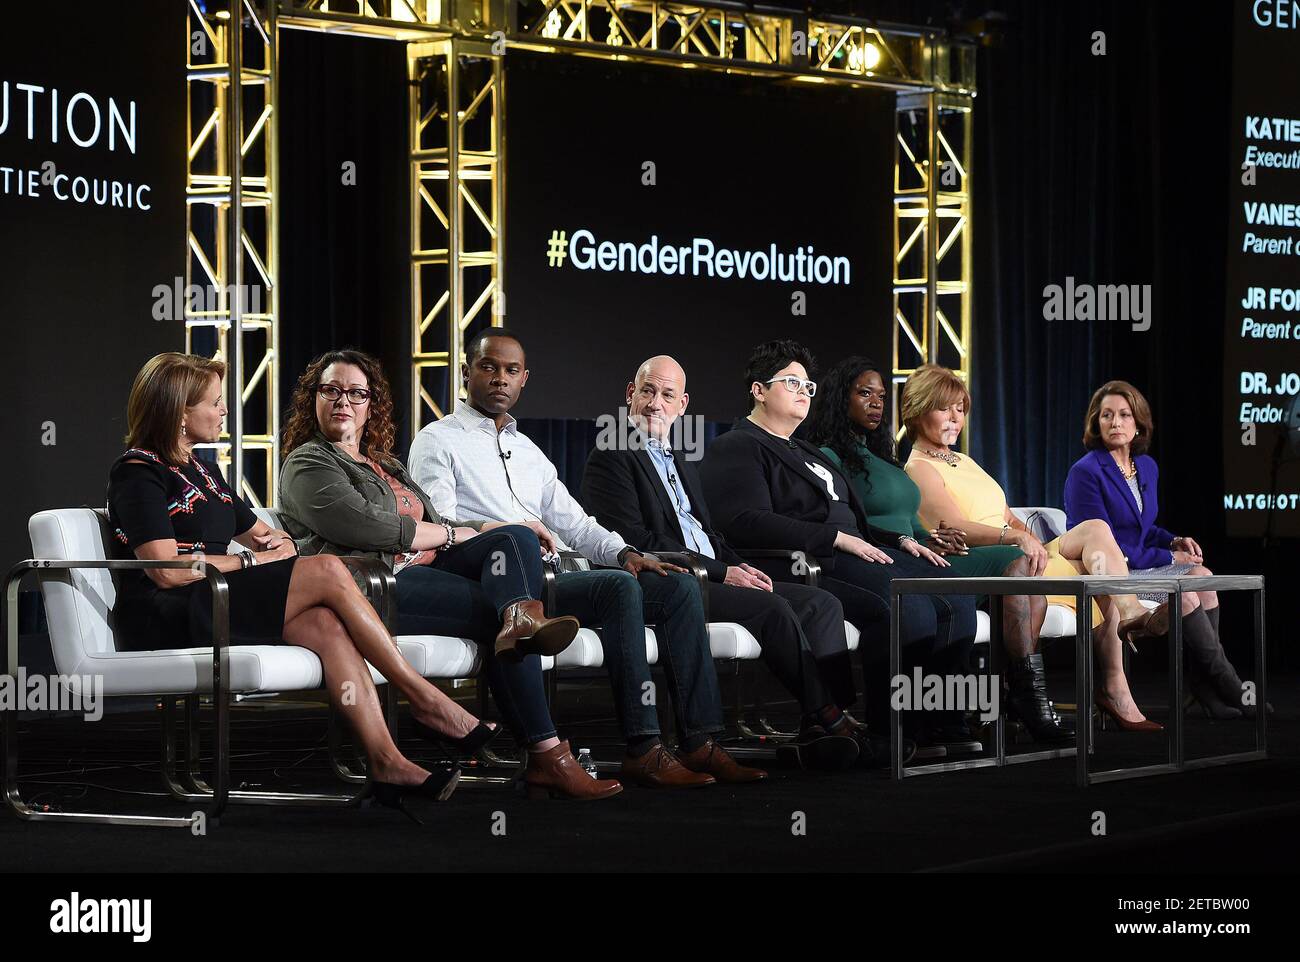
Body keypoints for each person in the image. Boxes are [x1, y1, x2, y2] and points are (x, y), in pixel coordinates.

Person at [107, 353, 462, 821]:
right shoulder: (139, 471)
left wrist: (267, 544)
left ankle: (387, 761)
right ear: (179, 412)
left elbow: (267, 534)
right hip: (168, 610)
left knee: (323, 624)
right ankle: (425, 698)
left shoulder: (204, 472)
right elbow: (166, 570)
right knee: (331, 568)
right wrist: (250, 559)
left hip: (216, 597)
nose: (225, 412)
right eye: (215, 403)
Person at [409, 328, 766, 788]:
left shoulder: (529, 451)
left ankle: (687, 743)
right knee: (590, 574)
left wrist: (626, 553)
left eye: (511, 370)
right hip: (489, 579)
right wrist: (505, 530)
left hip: (547, 583)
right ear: (465, 372)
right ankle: (625, 745)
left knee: (668, 587)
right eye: (488, 367)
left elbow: (577, 524)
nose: (500, 378)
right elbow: (442, 526)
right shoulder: (437, 440)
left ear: (524, 380)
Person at [278, 349, 619, 800]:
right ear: (313, 399)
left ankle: (522, 617)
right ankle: (548, 753)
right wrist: (449, 535)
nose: (344, 401)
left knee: (514, 539)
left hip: (425, 570)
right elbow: (365, 527)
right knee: (496, 617)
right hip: (374, 586)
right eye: (332, 391)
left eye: (357, 393)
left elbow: (440, 522)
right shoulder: (308, 463)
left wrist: (491, 528)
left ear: (371, 405)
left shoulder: (387, 464)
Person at [700, 340, 982, 763]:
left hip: (854, 552)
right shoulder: (738, 446)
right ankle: (892, 731)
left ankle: (941, 720)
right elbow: (745, 521)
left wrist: (899, 539)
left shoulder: (808, 450)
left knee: (955, 594)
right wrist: (833, 540)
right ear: (758, 391)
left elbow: (853, 521)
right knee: (907, 605)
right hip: (805, 562)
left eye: (808, 386)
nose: (803, 392)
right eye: (791, 382)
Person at [580, 355, 861, 770]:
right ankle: (833, 721)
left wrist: (737, 564)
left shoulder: (681, 459)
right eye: (647, 391)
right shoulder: (613, 455)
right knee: (772, 608)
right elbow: (637, 540)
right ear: (630, 395)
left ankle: (818, 722)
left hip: (713, 573)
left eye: (667, 395)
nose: (656, 403)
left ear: (683, 405)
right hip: (674, 581)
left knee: (821, 604)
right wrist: (721, 571)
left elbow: (710, 534)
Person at [806, 356, 1073, 742]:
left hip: (916, 553)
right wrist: (909, 540)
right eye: (865, 394)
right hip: (878, 559)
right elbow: (852, 523)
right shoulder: (831, 457)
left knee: (968, 598)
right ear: (838, 398)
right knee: (979, 582)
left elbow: (907, 516)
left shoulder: (883, 459)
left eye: (881, 395)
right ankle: (955, 714)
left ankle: (957, 715)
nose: (877, 403)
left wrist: (925, 537)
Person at [901, 364, 1166, 732]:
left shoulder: (963, 460)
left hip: (1021, 552)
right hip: (983, 560)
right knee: (1100, 569)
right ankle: (1087, 678)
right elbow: (954, 526)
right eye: (944, 408)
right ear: (917, 411)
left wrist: (1027, 536)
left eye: (961, 409)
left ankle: (1129, 612)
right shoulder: (919, 468)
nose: (955, 418)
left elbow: (1006, 514)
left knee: (1096, 531)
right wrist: (1015, 539)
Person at [1064, 380, 1263, 720]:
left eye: (1124, 415)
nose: (1115, 422)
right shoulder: (1085, 472)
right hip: (1114, 572)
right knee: (1184, 597)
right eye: (1107, 415)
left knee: (1205, 578)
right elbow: (1107, 542)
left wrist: (1172, 541)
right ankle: (1229, 684)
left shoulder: (1147, 467)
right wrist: (1170, 559)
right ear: (1095, 423)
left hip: (1143, 564)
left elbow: (1141, 527)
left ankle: (1206, 689)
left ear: (1138, 422)